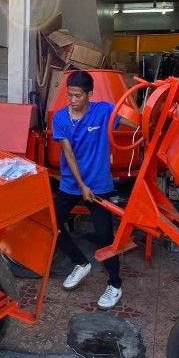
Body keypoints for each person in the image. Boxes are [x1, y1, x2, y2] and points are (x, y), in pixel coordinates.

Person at [52, 70, 123, 310]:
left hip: (99, 185)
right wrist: (82, 186)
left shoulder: (103, 111)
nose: (72, 99)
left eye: (78, 95)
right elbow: (68, 152)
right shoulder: (60, 118)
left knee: (105, 236)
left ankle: (115, 284)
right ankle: (81, 263)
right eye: (69, 95)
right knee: (52, 224)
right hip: (72, 184)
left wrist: (152, 121)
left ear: (89, 95)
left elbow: (136, 121)